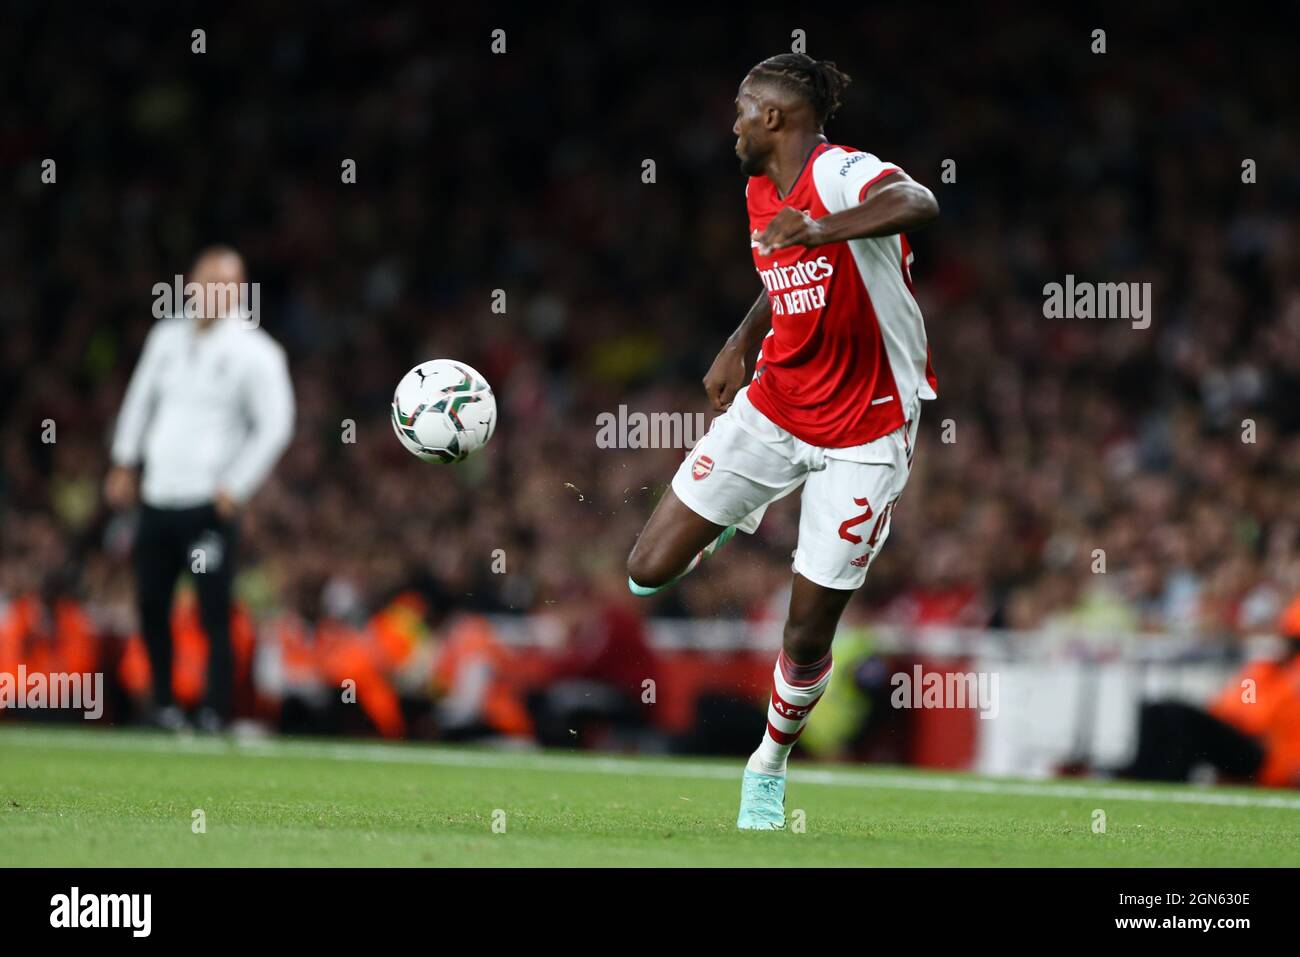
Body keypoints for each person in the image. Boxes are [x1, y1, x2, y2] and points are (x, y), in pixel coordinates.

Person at [627, 53, 939, 829]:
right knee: (646, 570)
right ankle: (738, 511)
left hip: (866, 430)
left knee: (804, 633)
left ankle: (768, 763)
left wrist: (826, 228)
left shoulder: (839, 173)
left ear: (774, 118)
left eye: (741, 107)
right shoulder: (758, 188)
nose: (730, 121)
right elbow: (785, 276)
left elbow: (919, 199)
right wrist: (740, 338)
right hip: (774, 407)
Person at [104, 246, 294, 733]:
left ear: (237, 290)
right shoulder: (165, 338)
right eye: (205, 279)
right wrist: (125, 460)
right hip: (159, 497)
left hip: (209, 505)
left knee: (212, 609)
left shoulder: (257, 352)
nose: (211, 290)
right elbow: (139, 400)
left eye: (223, 282)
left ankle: (214, 710)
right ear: (190, 283)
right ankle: (162, 705)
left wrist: (237, 485)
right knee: (151, 603)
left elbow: (276, 425)